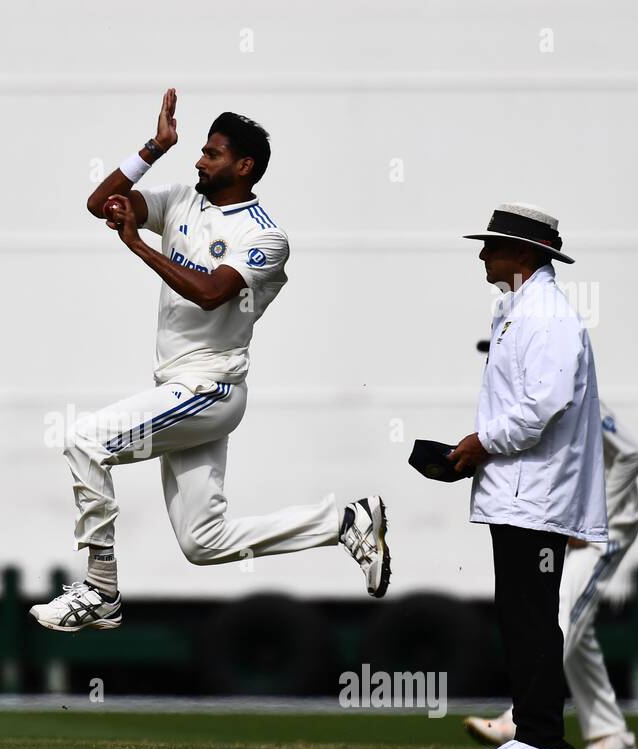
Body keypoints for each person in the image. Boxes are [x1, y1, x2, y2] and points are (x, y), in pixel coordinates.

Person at [29, 89, 390, 633]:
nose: (199, 160)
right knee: (203, 542)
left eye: (212, 154)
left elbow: (210, 293)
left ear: (244, 167)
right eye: (198, 150)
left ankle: (101, 586)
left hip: (210, 388)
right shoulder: (180, 199)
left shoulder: (266, 236)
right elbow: (99, 201)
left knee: (85, 440)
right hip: (178, 388)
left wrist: (138, 245)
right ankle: (344, 522)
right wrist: (154, 147)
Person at [448, 202, 607, 749]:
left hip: (536, 494)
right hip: (522, 491)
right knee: (521, 610)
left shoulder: (547, 315)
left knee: (530, 612)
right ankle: (533, 731)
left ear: (526, 254)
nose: (483, 253)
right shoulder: (521, 310)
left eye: (493, 244)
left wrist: (480, 443)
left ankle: (541, 741)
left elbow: (543, 403)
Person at [464, 400, 638, 749]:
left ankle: (520, 719)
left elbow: (632, 455)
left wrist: (599, 516)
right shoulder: (534, 401)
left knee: (562, 611)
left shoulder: (581, 400)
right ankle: (610, 731)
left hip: (607, 529)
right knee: (578, 623)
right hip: (581, 524)